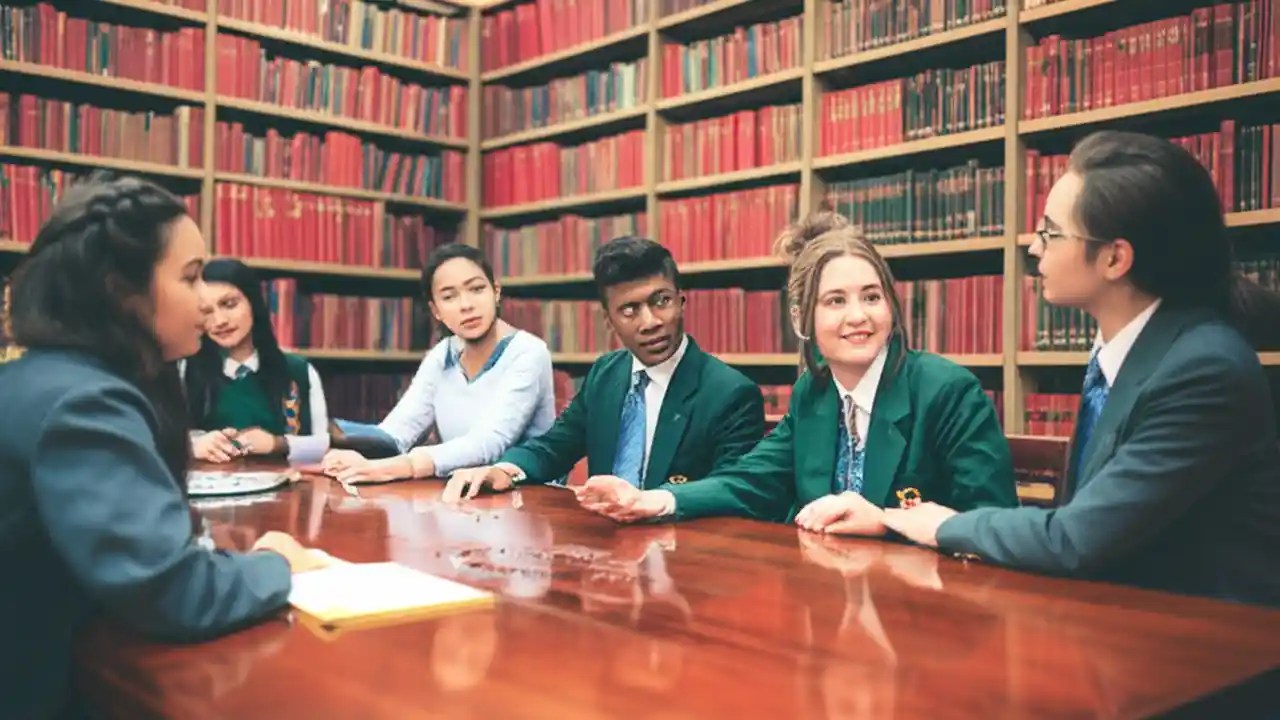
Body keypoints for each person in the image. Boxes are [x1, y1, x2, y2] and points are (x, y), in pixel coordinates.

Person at [883, 130, 1280, 607]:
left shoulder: (1205, 370)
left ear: (1115, 258)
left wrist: (939, 524)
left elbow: (1076, 538)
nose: (1033, 247)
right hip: (1122, 621)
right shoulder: (1127, 348)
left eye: (1051, 232)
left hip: (1208, 649)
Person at [0, 175, 326, 720]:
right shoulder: (84, 405)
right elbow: (172, 590)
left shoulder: (45, 378)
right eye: (191, 277)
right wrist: (278, 563)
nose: (206, 303)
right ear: (119, 291)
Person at [575, 213, 1017, 527]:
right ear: (800, 318)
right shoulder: (813, 394)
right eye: (835, 301)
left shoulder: (948, 392)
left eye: (871, 296)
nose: (858, 316)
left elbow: (994, 525)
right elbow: (750, 480)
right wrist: (652, 499)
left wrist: (887, 522)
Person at [442, 235, 765, 502]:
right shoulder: (605, 375)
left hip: (684, 554)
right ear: (609, 321)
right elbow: (554, 446)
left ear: (681, 301)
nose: (650, 321)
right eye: (629, 310)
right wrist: (504, 469)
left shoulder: (731, 393)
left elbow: (733, 492)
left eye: (661, 301)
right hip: (606, 549)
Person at [319, 242, 557, 484]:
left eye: (476, 289)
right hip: (462, 495)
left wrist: (409, 464)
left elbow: (491, 441)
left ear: (496, 292)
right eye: (449, 296)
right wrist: (357, 452)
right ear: (436, 310)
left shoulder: (528, 352)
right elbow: (398, 431)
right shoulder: (442, 355)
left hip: (527, 498)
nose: (466, 305)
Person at [181, 258, 330, 465]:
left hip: (289, 491)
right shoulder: (185, 370)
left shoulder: (299, 371)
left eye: (229, 304)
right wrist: (195, 444)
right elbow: (158, 440)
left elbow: (324, 448)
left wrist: (276, 444)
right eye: (206, 312)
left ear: (253, 302)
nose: (219, 321)